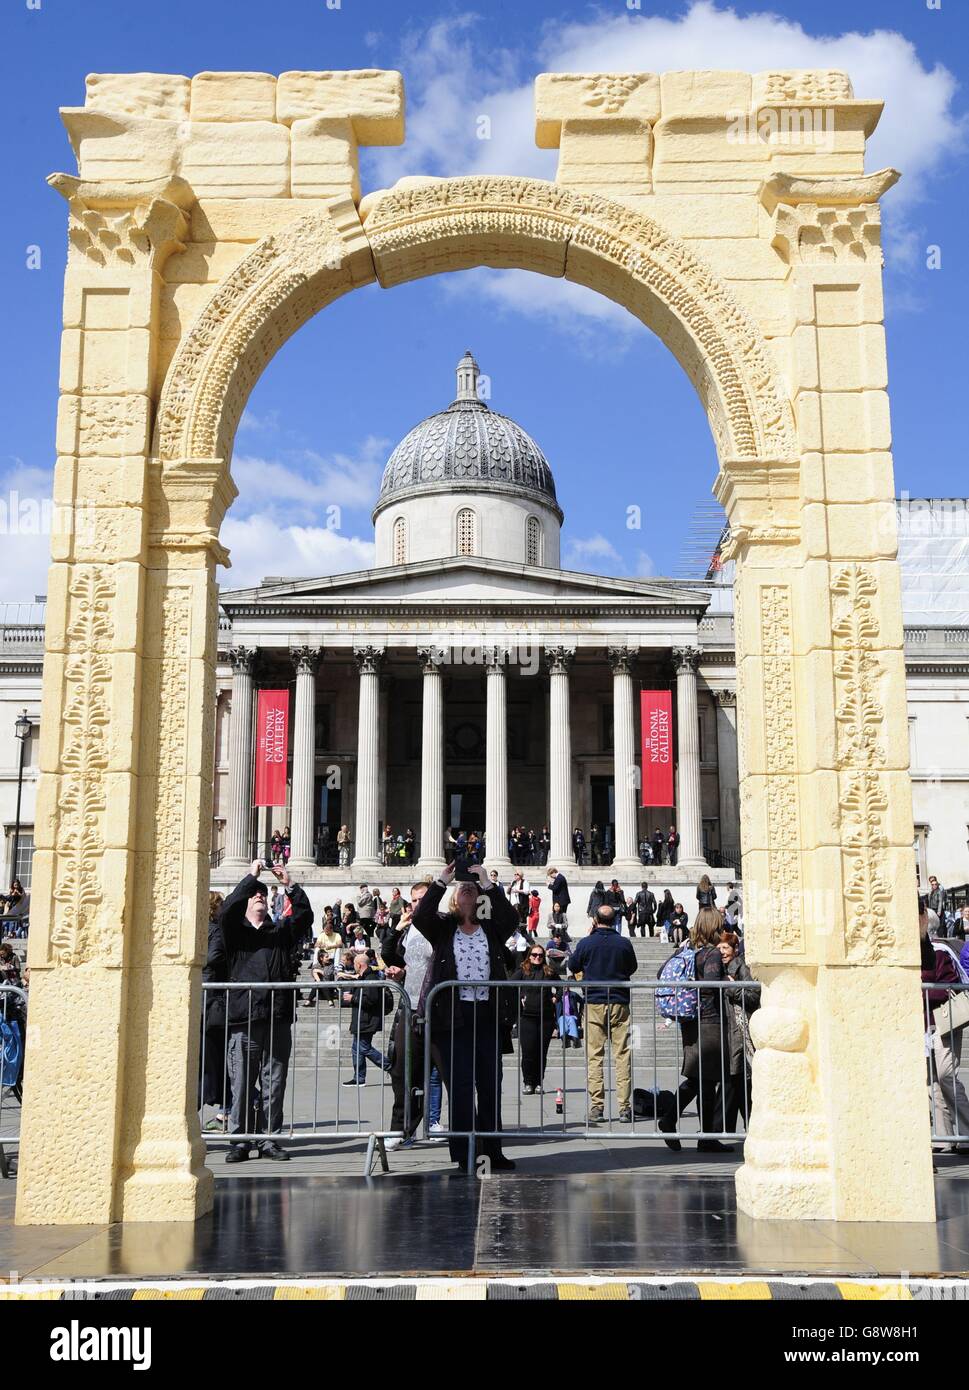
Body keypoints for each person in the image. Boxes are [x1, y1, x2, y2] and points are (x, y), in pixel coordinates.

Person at [411, 861, 518, 1171]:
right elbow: (419, 915)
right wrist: (441, 882)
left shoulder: (491, 929)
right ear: (455, 900)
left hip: (486, 1014)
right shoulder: (443, 927)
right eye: (463, 888)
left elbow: (511, 918)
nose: (467, 888)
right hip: (452, 1016)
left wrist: (488, 883)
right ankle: (464, 1154)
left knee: (489, 1085)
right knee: (459, 1087)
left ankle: (492, 1151)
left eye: (471, 888)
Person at [213, 860, 313, 1163]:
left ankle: (270, 1138)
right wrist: (251, 877)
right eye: (253, 894)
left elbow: (305, 916)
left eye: (261, 894)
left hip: (277, 1016)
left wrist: (290, 885)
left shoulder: (279, 932)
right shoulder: (234, 933)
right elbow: (225, 911)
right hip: (244, 1016)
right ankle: (240, 1140)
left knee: (274, 1082)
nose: (258, 896)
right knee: (241, 1082)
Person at [659, 907, 732, 1154]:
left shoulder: (690, 950)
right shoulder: (710, 954)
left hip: (692, 1019)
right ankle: (674, 1120)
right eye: (720, 924)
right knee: (702, 1078)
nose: (723, 929)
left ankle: (705, 1135)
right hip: (708, 1020)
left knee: (703, 1079)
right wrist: (728, 982)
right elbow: (710, 985)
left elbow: (661, 972)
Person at [381, 881, 446, 1148]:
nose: (418, 904)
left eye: (424, 899)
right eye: (415, 900)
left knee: (448, 1073)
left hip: (439, 1009)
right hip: (411, 1008)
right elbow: (390, 956)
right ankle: (401, 1129)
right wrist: (396, 933)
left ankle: (463, 1132)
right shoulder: (407, 930)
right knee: (403, 1073)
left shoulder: (443, 924)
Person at [568, 904, 639, 1123]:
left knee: (594, 1057)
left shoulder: (587, 942)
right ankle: (624, 1107)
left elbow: (572, 964)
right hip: (619, 1002)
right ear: (615, 919)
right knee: (623, 1056)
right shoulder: (624, 943)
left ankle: (597, 1107)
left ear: (595, 920)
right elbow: (632, 967)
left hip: (594, 1003)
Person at [920, 897, 969, 1151]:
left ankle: (966, 1130)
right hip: (924, 1024)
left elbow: (947, 988)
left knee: (946, 1074)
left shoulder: (940, 950)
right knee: (933, 1082)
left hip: (944, 1021)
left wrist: (917, 992)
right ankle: (946, 1137)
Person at [717, 932, 758, 1134]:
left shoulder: (742, 967)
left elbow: (753, 995)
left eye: (725, 948)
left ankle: (749, 1125)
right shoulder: (720, 968)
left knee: (742, 1080)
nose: (721, 952)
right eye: (719, 948)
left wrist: (731, 987)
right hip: (727, 1030)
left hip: (741, 1030)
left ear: (734, 949)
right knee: (736, 1080)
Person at [511, 944, 559, 1094]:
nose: (537, 957)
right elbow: (508, 985)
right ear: (529, 956)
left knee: (541, 1052)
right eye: (534, 955)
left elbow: (563, 986)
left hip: (545, 1017)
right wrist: (519, 998)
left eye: (540, 955)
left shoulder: (549, 971)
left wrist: (555, 998)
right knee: (528, 1052)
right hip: (527, 1017)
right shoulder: (522, 971)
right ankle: (528, 1082)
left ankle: (539, 1082)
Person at [342, 952, 393, 1086]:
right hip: (362, 1019)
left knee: (363, 1048)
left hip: (367, 1020)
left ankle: (391, 1067)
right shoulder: (364, 977)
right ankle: (359, 1078)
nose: (354, 966)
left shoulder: (371, 978)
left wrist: (352, 998)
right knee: (356, 1048)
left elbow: (371, 1000)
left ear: (359, 964)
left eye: (355, 964)